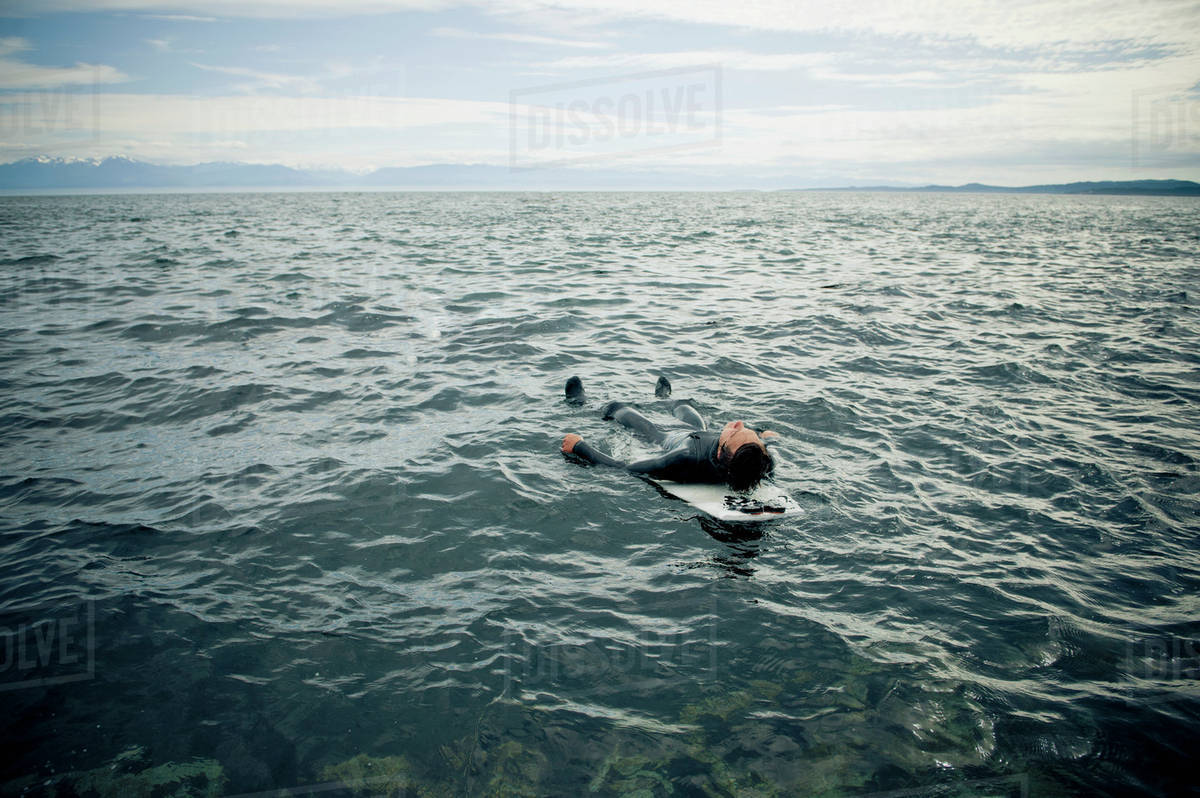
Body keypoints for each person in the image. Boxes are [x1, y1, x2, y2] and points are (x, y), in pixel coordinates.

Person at [560, 376, 776, 492]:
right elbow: (758, 451)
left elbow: (624, 469)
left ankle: (579, 401)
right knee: (685, 408)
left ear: (721, 454)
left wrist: (580, 446)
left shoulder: (684, 459)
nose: (738, 423)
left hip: (662, 436)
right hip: (696, 431)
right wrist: (766, 437)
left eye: (736, 430)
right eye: (755, 439)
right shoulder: (764, 461)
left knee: (620, 409)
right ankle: (663, 398)